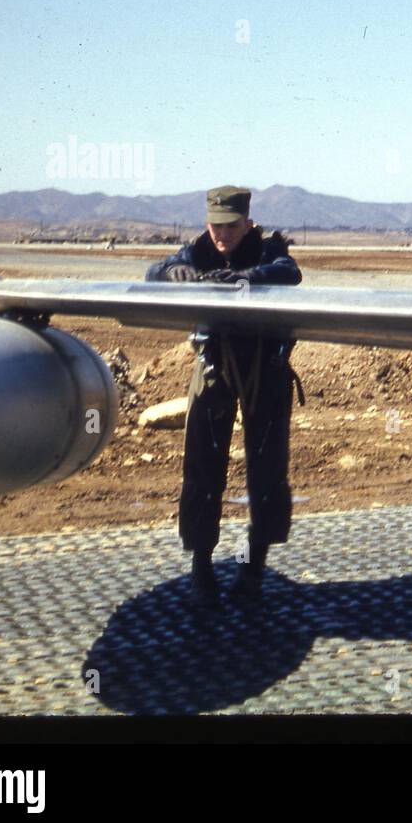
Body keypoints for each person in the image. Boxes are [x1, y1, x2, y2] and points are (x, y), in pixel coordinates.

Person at [145, 186, 304, 609]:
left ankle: (253, 567)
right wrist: (171, 273)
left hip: (264, 369)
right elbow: (154, 272)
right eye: (215, 227)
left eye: (231, 228)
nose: (222, 236)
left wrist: (249, 277)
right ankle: (202, 568)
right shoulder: (198, 250)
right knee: (201, 466)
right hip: (214, 368)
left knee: (266, 470)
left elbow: (289, 272)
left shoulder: (268, 251)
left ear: (247, 224)